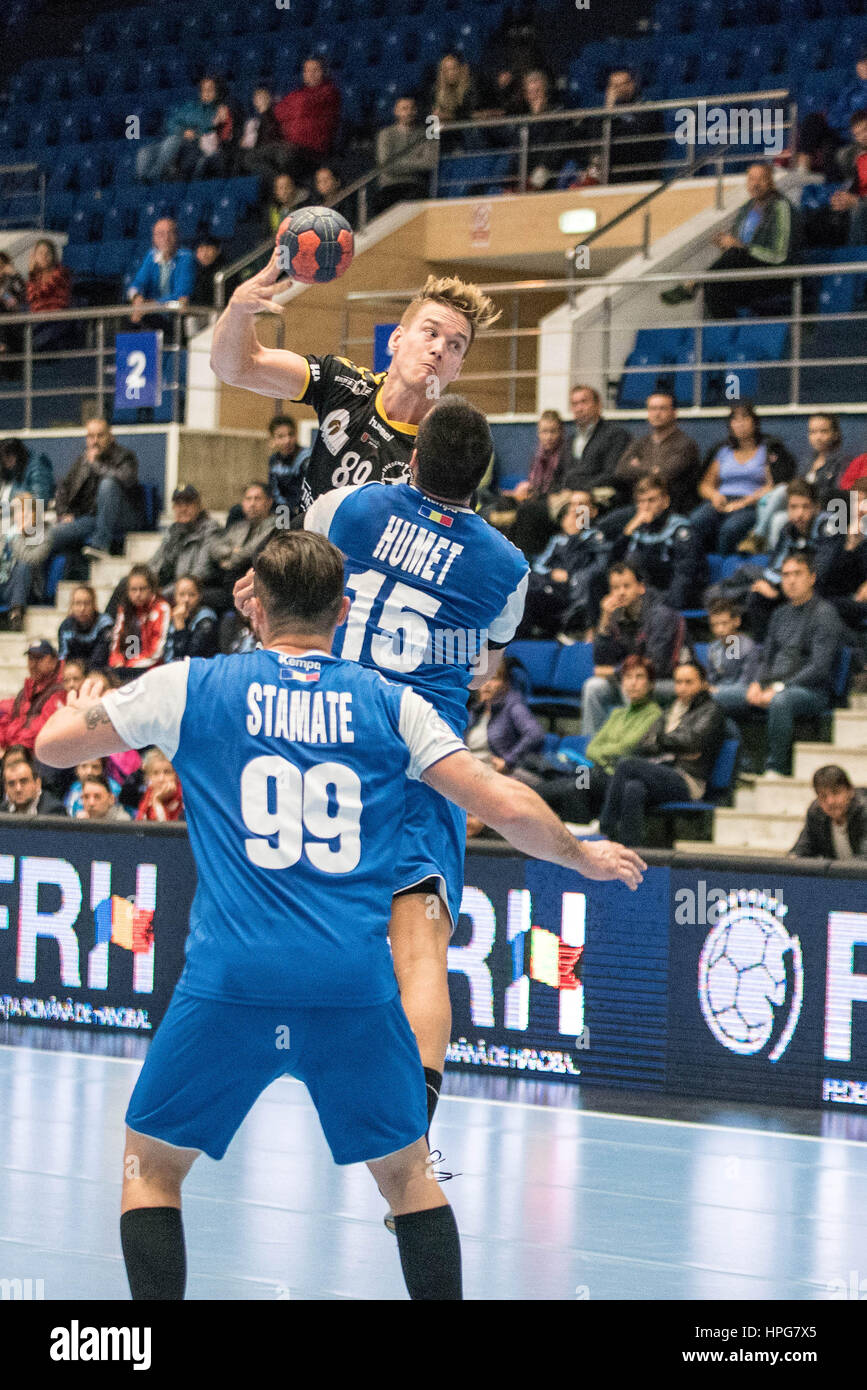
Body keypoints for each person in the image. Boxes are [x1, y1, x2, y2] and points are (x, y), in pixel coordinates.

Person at [34, 529, 644, 1303]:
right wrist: (582, 854)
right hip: (352, 985)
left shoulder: (190, 684)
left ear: (255, 608)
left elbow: (51, 748)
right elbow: (504, 805)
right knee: (408, 1177)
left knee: (150, 1168)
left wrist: (81, 705)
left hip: (232, 981)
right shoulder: (392, 703)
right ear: (343, 610)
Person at [210, 269, 500, 512]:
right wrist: (238, 308)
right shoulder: (345, 384)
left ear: (459, 368)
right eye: (431, 332)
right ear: (397, 338)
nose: (438, 349)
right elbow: (236, 368)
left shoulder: (445, 450)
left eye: (455, 346)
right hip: (298, 562)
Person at [713, 553, 845, 777]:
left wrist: (778, 687)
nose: (791, 581)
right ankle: (745, 762)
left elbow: (819, 668)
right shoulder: (779, 614)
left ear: (812, 578)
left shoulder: (825, 614)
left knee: (780, 700)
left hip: (810, 690)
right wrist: (756, 682)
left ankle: (776, 767)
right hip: (773, 684)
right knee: (714, 699)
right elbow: (767, 658)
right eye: (785, 575)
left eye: (797, 574)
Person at [522, 654, 663, 825]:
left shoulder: (654, 714)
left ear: (651, 684)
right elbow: (591, 748)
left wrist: (603, 752)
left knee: (573, 787)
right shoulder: (618, 714)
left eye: (639, 677)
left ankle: (581, 836)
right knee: (561, 785)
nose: (633, 682)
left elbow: (626, 748)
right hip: (597, 772)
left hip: (618, 779)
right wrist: (606, 752)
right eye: (628, 677)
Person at [599, 659, 726, 846]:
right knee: (633, 788)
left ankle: (604, 828)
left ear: (703, 683)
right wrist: (673, 745)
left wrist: (662, 740)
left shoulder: (712, 711)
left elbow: (692, 742)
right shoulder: (670, 709)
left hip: (688, 780)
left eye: (688, 682)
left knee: (627, 764)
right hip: (662, 771)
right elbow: (644, 744)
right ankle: (630, 849)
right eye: (678, 682)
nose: (682, 687)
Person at [661, 164, 797, 319]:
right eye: (751, 179)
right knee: (712, 286)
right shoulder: (746, 208)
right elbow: (738, 249)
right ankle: (725, 330)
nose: (755, 184)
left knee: (729, 260)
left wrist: (741, 247)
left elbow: (779, 254)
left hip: (770, 274)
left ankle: (692, 285)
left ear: (770, 182)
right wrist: (725, 244)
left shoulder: (780, 206)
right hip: (745, 271)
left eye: (761, 179)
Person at [581, 562, 685, 737]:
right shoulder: (616, 615)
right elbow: (600, 660)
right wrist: (605, 619)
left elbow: (657, 666)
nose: (621, 592)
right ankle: (591, 749)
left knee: (631, 685)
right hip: (632, 678)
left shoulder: (661, 616)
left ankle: (627, 752)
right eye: (615, 587)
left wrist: (615, 672)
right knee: (593, 687)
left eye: (627, 586)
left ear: (641, 588)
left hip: (668, 682)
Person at [515, 489, 610, 638]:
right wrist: (551, 574)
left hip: (573, 595)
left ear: (593, 511)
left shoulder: (595, 538)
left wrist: (575, 537)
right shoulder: (557, 540)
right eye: (572, 504)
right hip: (549, 588)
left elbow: (599, 567)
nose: (575, 509)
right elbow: (538, 566)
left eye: (581, 505)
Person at [48, 417, 142, 564]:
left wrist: (95, 464)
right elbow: (63, 488)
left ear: (110, 437)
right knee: (45, 537)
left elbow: (126, 480)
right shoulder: (83, 460)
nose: (95, 441)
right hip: (91, 519)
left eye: (100, 435)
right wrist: (63, 512)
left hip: (121, 517)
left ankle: (100, 545)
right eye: (91, 436)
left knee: (108, 484)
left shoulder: (125, 456)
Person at [743, 480, 827, 641]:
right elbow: (774, 566)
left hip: (823, 589)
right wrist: (768, 585)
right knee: (758, 594)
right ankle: (764, 649)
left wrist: (779, 591)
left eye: (805, 507)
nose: (799, 514)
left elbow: (822, 571)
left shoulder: (828, 526)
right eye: (793, 507)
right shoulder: (788, 530)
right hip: (792, 584)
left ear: (817, 507)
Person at [602, 390, 701, 525]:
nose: (657, 413)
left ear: (674, 412)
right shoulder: (640, 443)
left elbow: (664, 476)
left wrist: (639, 466)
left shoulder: (685, 444)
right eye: (652, 408)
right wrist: (653, 469)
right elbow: (621, 470)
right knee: (604, 526)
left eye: (662, 408)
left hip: (672, 508)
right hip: (639, 504)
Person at [689, 404, 777, 555]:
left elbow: (771, 486)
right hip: (722, 500)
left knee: (730, 529)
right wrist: (714, 495)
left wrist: (743, 503)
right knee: (696, 520)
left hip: (751, 503)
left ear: (755, 422)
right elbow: (705, 485)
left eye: (745, 418)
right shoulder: (723, 452)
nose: (740, 423)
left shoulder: (766, 450)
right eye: (735, 420)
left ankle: (724, 569)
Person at [614, 472, 705, 611]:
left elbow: (685, 575)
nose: (646, 507)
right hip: (648, 595)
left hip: (677, 596)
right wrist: (627, 533)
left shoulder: (681, 530)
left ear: (665, 501)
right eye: (641, 502)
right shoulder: (637, 529)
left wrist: (667, 608)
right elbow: (615, 565)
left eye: (651, 500)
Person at [136, 76, 221, 184]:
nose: (207, 93)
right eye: (204, 90)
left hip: (194, 144)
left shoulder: (216, 110)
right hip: (177, 138)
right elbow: (171, 122)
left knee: (172, 141)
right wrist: (183, 131)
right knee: (144, 152)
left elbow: (210, 129)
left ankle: (154, 175)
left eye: (210, 90)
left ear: (216, 92)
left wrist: (195, 133)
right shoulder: (190, 106)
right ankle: (141, 184)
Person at [146, 484, 221, 602]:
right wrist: (144, 581)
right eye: (179, 505)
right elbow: (155, 563)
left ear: (199, 506)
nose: (183, 509)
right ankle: (108, 620)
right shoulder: (173, 530)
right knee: (127, 584)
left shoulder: (210, 529)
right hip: (174, 586)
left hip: (200, 590)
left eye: (188, 504)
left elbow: (201, 571)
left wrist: (164, 592)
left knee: (154, 598)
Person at [273, 58, 341, 182]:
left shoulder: (329, 92)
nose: (311, 74)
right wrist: (297, 108)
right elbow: (278, 111)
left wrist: (294, 108)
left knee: (285, 157)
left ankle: (291, 189)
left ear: (323, 72)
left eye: (315, 70)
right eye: (307, 71)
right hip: (290, 145)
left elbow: (302, 105)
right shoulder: (298, 93)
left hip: (312, 149)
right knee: (250, 157)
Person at [562, 384, 632, 500]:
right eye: (575, 404)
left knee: (580, 507)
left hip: (600, 496)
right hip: (570, 496)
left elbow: (612, 474)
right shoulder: (570, 441)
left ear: (598, 405)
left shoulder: (615, 435)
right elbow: (563, 475)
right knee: (530, 509)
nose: (579, 409)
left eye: (584, 402)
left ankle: (582, 518)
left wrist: (582, 489)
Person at [0, 640, 66, 753]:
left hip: (39, 755)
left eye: (39, 658)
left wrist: (13, 742)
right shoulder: (26, 690)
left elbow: (42, 731)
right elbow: (12, 718)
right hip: (18, 750)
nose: (33, 664)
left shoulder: (59, 691)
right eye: (31, 658)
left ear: (54, 661)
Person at [128, 219, 196, 329]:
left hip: (174, 315)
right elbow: (136, 284)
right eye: (160, 234)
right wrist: (136, 297)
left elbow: (182, 294)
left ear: (177, 236)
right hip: (152, 313)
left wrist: (151, 305)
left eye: (170, 233)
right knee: (132, 319)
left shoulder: (185, 257)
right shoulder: (151, 256)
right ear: (154, 239)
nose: (166, 239)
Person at [375, 96, 438, 213]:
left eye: (412, 108)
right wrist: (415, 163)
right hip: (390, 185)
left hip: (415, 185)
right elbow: (386, 165)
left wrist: (398, 163)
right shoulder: (385, 134)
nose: (408, 112)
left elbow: (430, 162)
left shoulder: (425, 134)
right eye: (404, 109)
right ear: (396, 112)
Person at [791, 765, 867, 859]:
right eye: (823, 796)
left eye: (836, 793)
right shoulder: (816, 812)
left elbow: (864, 859)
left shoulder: (864, 810)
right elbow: (801, 850)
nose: (830, 801)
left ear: (850, 791)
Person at [108, 566, 171, 678]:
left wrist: (131, 664)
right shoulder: (124, 609)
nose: (137, 594)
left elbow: (157, 651)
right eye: (133, 589)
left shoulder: (162, 608)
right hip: (127, 667)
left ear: (151, 589)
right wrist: (117, 660)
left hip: (152, 669)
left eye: (142, 589)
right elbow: (116, 642)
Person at [26, 239, 73, 352]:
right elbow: (30, 296)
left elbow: (41, 292)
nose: (44, 256)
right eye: (40, 253)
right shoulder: (35, 276)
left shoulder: (60, 273)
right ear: (35, 256)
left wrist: (31, 274)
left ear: (53, 256)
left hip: (56, 318)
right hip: (38, 318)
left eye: (47, 253)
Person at [829, 109, 867, 246]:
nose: (863, 136)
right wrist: (842, 198)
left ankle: (856, 258)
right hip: (861, 200)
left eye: (865, 130)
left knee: (859, 210)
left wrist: (857, 201)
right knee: (831, 210)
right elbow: (855, 185)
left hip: (863, 206)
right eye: (857, 134)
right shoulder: (858, 158)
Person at [705, 600, 759, 693]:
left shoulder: (748, 648)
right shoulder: (713, 648)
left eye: (724, 623)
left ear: (737, 621)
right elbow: (711, 679)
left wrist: (718, 691)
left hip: (740, 694)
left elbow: (745, 684)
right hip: (717, 692)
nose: (720, 629)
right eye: (715, 625)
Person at [57, 584, 114, 670]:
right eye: (78, 603)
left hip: (99, 672)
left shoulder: (105, 624)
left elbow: (100, 659)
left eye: (87, 603)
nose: (82, 608)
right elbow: (63, 659)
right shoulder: (66, 627)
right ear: (72, 606)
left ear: (94, 605)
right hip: (74, 673)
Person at [239, 85, 290, 179]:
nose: (261, 100)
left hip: (272, 147)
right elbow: (245, 141)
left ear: (269, 99)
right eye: (258, 98)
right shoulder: (252, 121)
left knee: (249, 158)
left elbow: (272, 135)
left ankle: (278, 178)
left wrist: (265, 112)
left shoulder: (275, 115)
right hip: (257, 149)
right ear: (254, 102)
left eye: (263, 97)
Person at [265, 414, 310, 520]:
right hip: (282, 508)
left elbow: (307, 492)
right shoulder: (274, 460)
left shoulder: (306, 458)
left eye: (291, 435)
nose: (287, 440)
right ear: (273, 439)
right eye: (281, 437)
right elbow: (273, 489)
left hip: (301, 510)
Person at [165, 576, 218, 662]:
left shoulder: (206, 620)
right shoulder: (174, 614)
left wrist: (180, 627)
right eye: (181, 594)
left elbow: (189, 657)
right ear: (175, 597)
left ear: (199, 596)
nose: (186, 599)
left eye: (192, 595)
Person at [1, 747, 64, 815]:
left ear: (37, 783)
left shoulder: (54, 811)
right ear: (6, 788)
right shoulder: (2, 811)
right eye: (11, 784)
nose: (18, 789)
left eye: (23, 781)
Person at [135, 749, 184, 822]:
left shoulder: (184, 799)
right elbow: (139, 825)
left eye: (167, 772)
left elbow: (166, 831)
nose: (161, 779)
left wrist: (157, 801)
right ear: (149, 777)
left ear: (176, 775)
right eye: (155, 773)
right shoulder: (149, 793)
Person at [0, 437, 53, 504]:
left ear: (17, 455)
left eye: (8, 459)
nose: (6, 464)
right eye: (3, 461)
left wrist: (10, 508)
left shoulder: (37, 468)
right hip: (13, 510)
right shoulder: (12, 472)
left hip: (31, 511)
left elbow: (40, 500)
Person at [0, 250, 26, 370]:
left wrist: (15, 274)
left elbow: (18, 300)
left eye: (1, 265)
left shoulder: (11, 282)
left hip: (12, 325)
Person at [263, 172, 306, 238]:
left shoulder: (304, 207)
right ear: (275, 191)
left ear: (294, 187)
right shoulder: (272, 211)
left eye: (287, 187)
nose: (284, 191)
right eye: (280, 188)